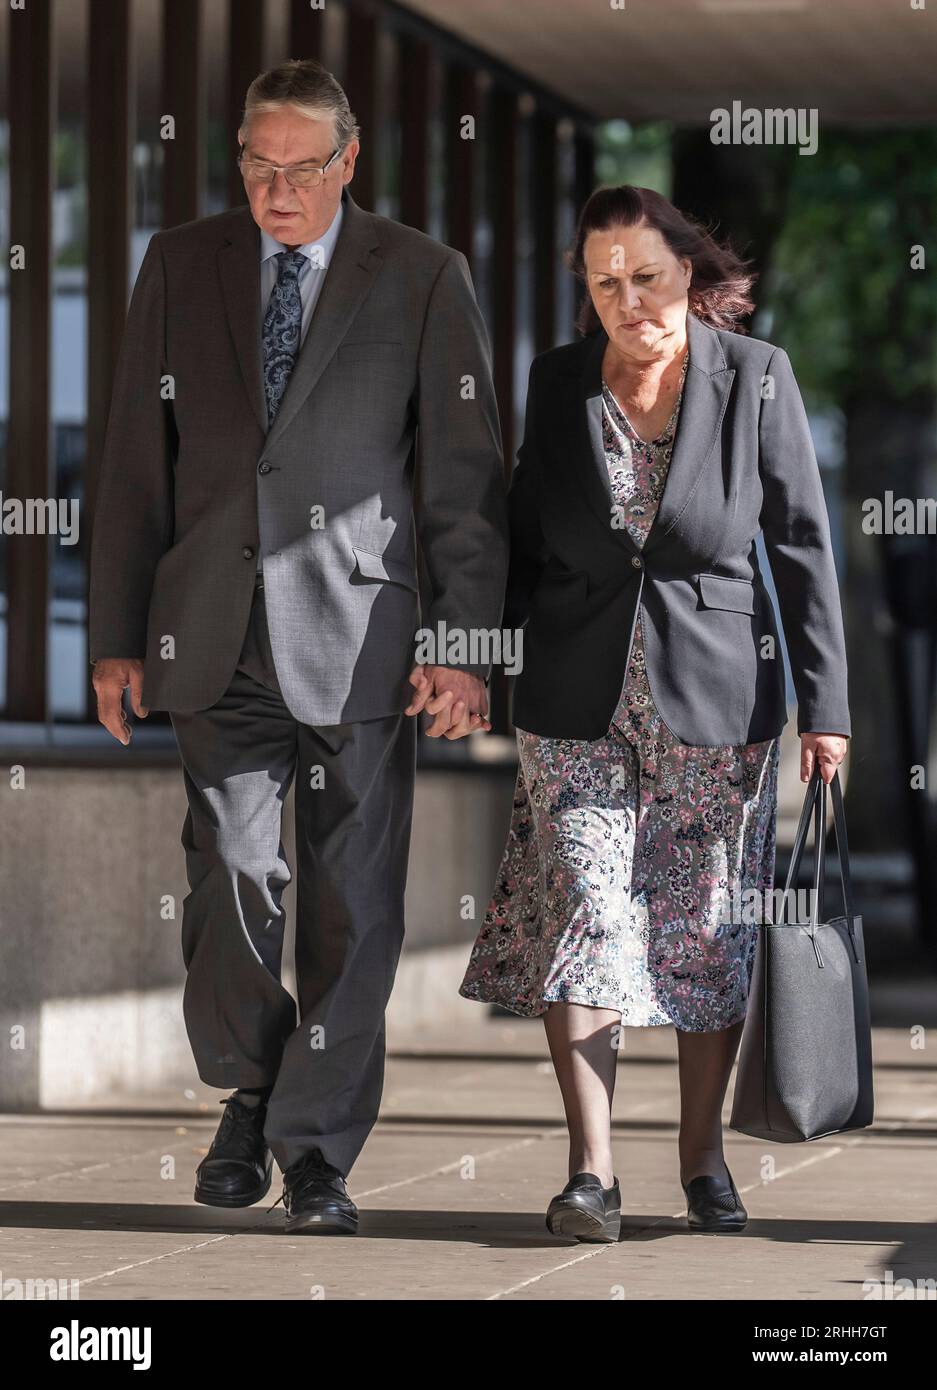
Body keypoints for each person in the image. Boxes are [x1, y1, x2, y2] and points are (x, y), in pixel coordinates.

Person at [89, 59, 508, 1236]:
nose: (274, 193)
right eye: (255, 167)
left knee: (352, 909)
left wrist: (464, 645)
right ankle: (259, 1084)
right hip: (211, 632)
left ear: (346, 163)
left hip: (366, 637)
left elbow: (466, 481)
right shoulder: (182, 261)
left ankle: (315, 1155)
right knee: (229, 875)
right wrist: (118, 635)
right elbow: (134, 458)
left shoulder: (422, 277)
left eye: (298, 171)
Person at [459, 184, 850, 1242]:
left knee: (704, 926)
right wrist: (469, 663)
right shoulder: (554, 382)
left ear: (689, 272)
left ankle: (702, 1159)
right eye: (605, 282)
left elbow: (804, 547)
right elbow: (521, 538)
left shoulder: (757, 377)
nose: (628, 300)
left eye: (646, 275)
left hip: (718, 693)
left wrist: (828, 710)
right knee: (585, 903)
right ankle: (590, 1172)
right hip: (572, 693)